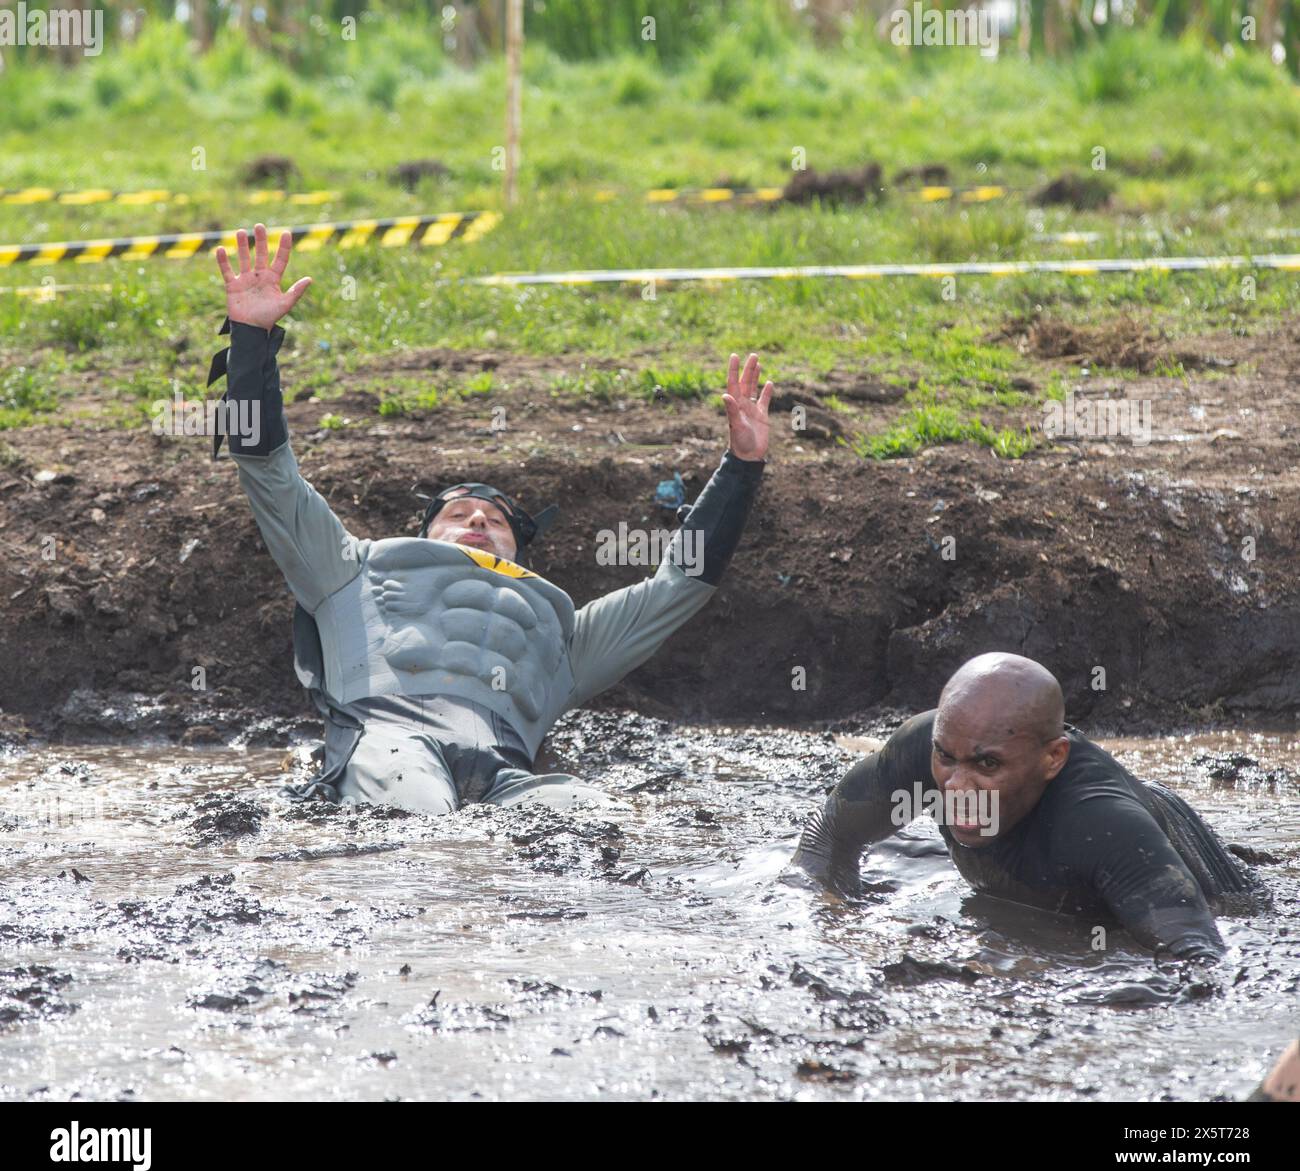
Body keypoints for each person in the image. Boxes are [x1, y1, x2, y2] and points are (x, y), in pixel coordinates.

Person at [209, 224, 771, 814]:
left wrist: (741, 467)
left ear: (518, 552)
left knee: (595, 816)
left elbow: (678, 586)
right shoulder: (350, 571)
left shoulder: (565, 636)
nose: (478, 516)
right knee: (417, 808)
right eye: (457, 512)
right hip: (390, 743)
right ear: (425, 534)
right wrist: (251, 339)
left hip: (509, 767)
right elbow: (268, 470)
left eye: (496, 518)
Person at [791, 653, 1270, 961]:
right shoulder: (923, 750)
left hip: (1217, 892)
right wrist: (834, 928)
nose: (956, 788)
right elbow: (828, 837)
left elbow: (1198, 955)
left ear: (1052, 758)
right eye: (946, 758)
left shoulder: (1101, 823)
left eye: (987, 764)